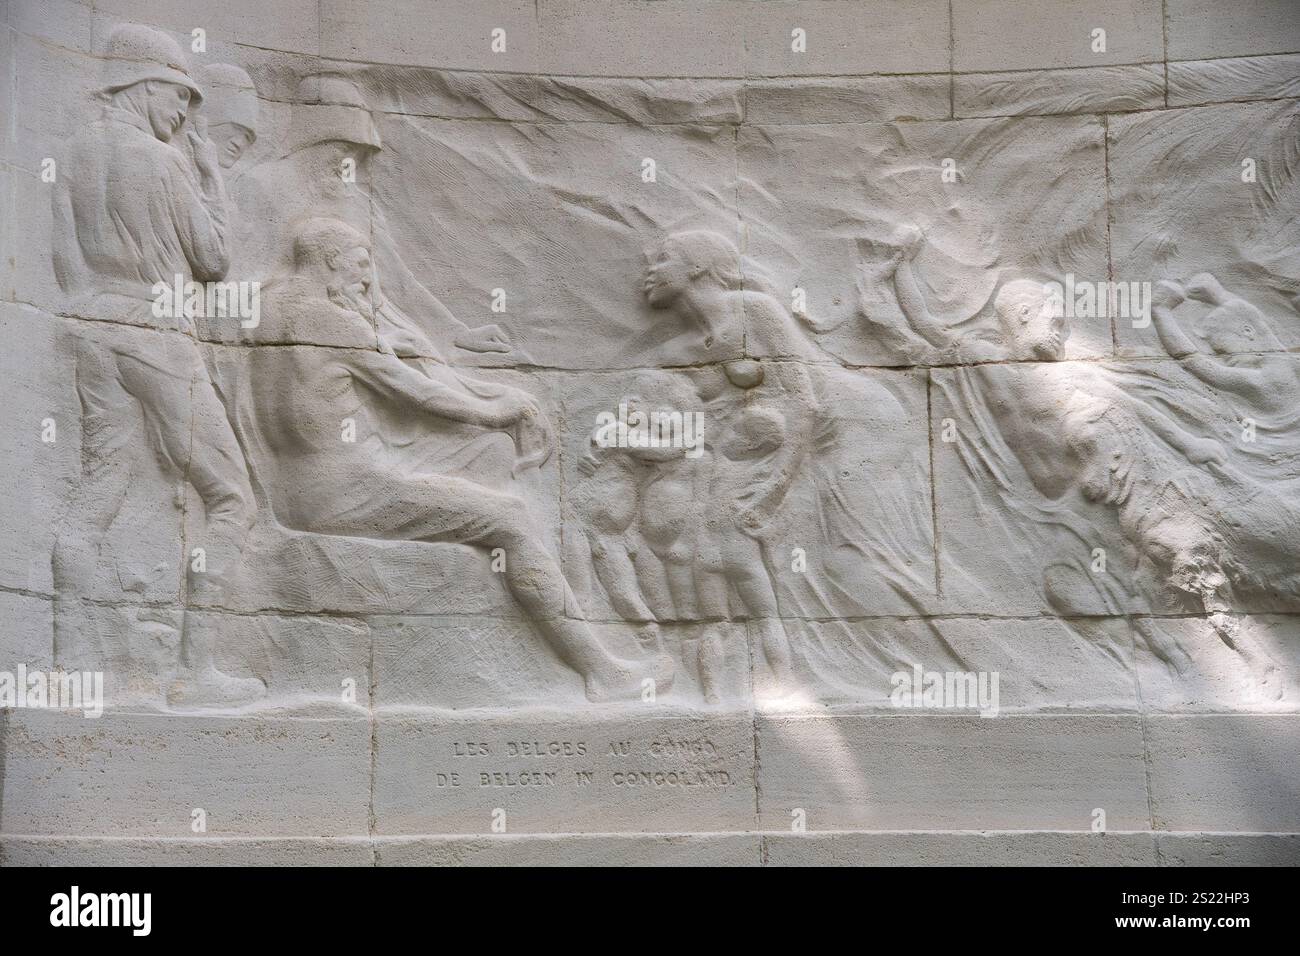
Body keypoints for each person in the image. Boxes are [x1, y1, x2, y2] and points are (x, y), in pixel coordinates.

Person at [245, 219, 674, 701]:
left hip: (298, 486)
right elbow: (422, 397)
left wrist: (384, 346)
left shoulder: (268, 307)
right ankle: (602, 672)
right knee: (509, 517)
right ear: (331, 262)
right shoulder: (331, 320)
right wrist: (498, 410)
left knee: (482, 458)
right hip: (347, 489)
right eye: (363, 264)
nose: (368, 278)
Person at [50, 24, 264, 707]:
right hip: (158, 330)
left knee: (96, 492)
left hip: (93, 325)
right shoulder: (166, 161)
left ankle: (65, 666)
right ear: (141, 85)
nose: (183, 112)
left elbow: (62, 258)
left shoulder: (75, 152)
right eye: (177, 96)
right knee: (232, 496)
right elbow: (214, 260)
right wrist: (209, 175)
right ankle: (195, 671)